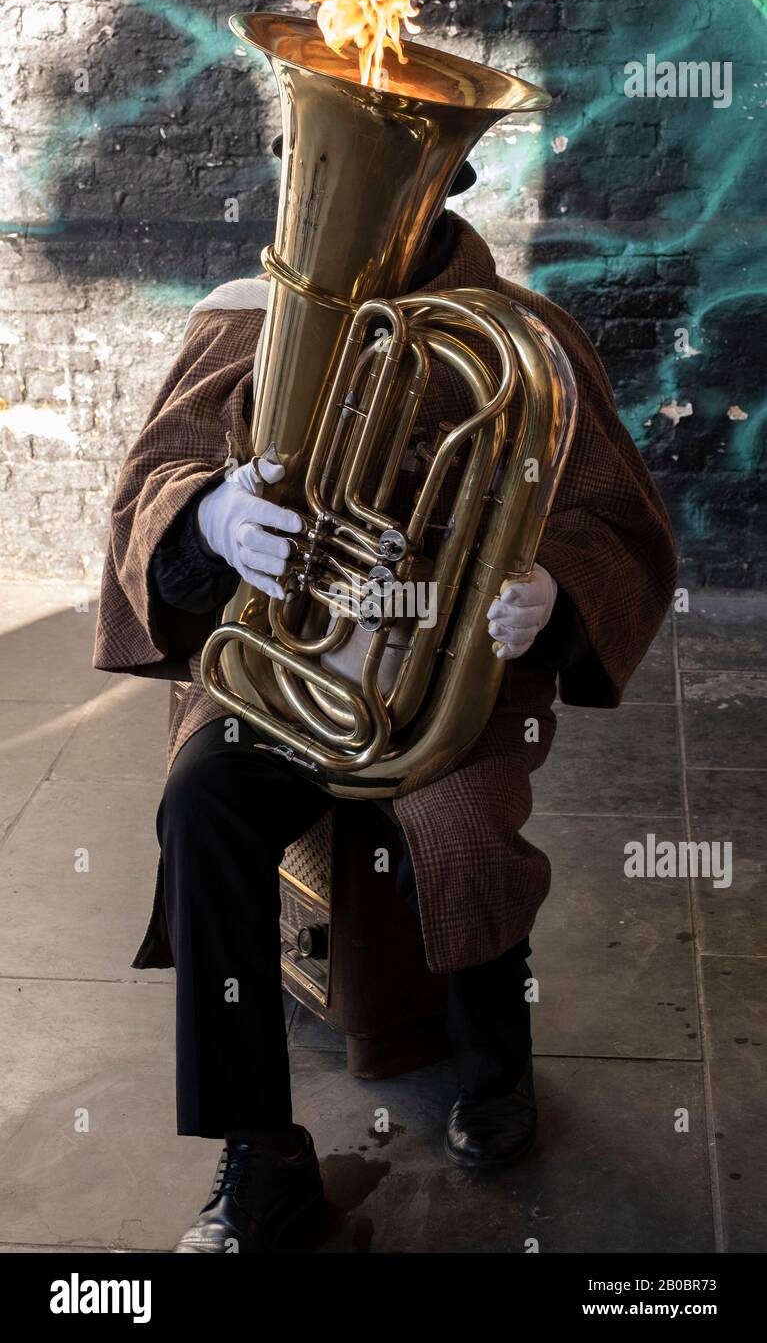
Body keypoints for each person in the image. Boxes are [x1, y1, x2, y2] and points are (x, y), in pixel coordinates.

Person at [94, 147, 677, 1253]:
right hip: (277, 673)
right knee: (200, 808)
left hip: (448, 686)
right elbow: (147, 487)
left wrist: (551, 587)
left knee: (457, 829)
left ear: (440, 190)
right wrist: (210, 518)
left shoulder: (524, 337)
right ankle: (259, 1157)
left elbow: (614, 523)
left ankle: (495, 1056)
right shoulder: (241, 320)